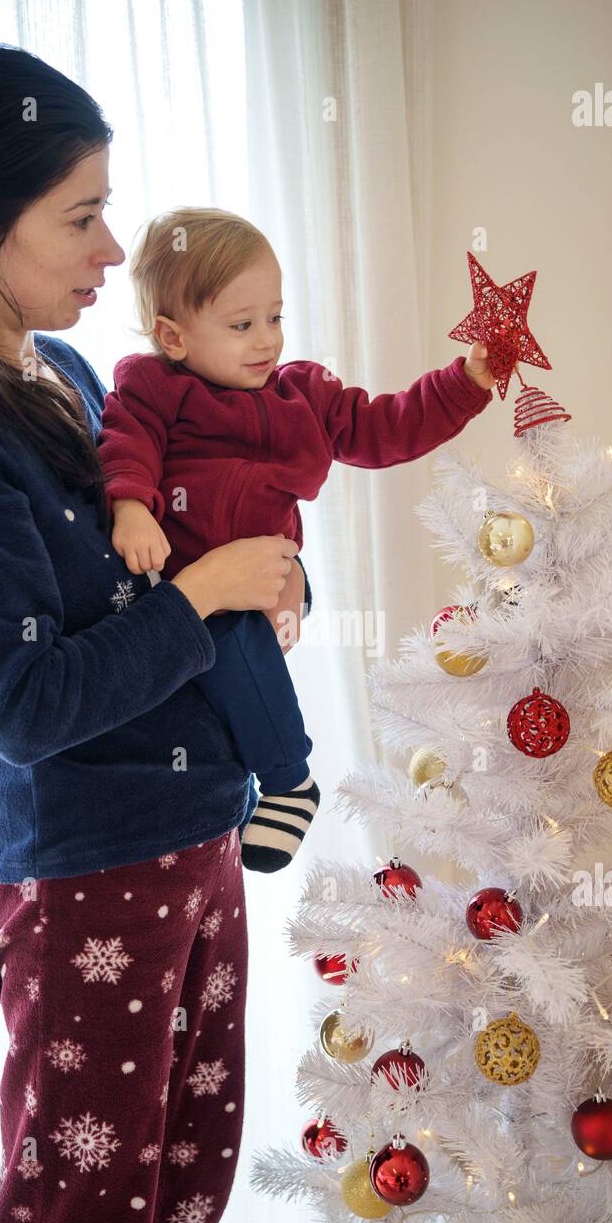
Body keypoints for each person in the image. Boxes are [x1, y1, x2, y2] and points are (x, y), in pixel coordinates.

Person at [0, 40, 304, 1223]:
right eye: (80, 216)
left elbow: (178, 542)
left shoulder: (69, 374)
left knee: (184, 1183)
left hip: (197, 827)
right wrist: (202, 595)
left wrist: (265, 579)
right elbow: (23, 706)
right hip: (85, 871)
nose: (114, 249)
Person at [98, 208, 496, 871]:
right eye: (242, 325)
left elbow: (386, 427)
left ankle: (288, 783)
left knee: (240, 646)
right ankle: (277, 775)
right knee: (226, 656)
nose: (266, 341)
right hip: (195, 590)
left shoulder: (303, 396)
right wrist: (132, 506)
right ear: (172, 335)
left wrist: (464, 384)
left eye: (275, 318)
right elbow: (125, 442)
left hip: (270, 576)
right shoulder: (155, 389)